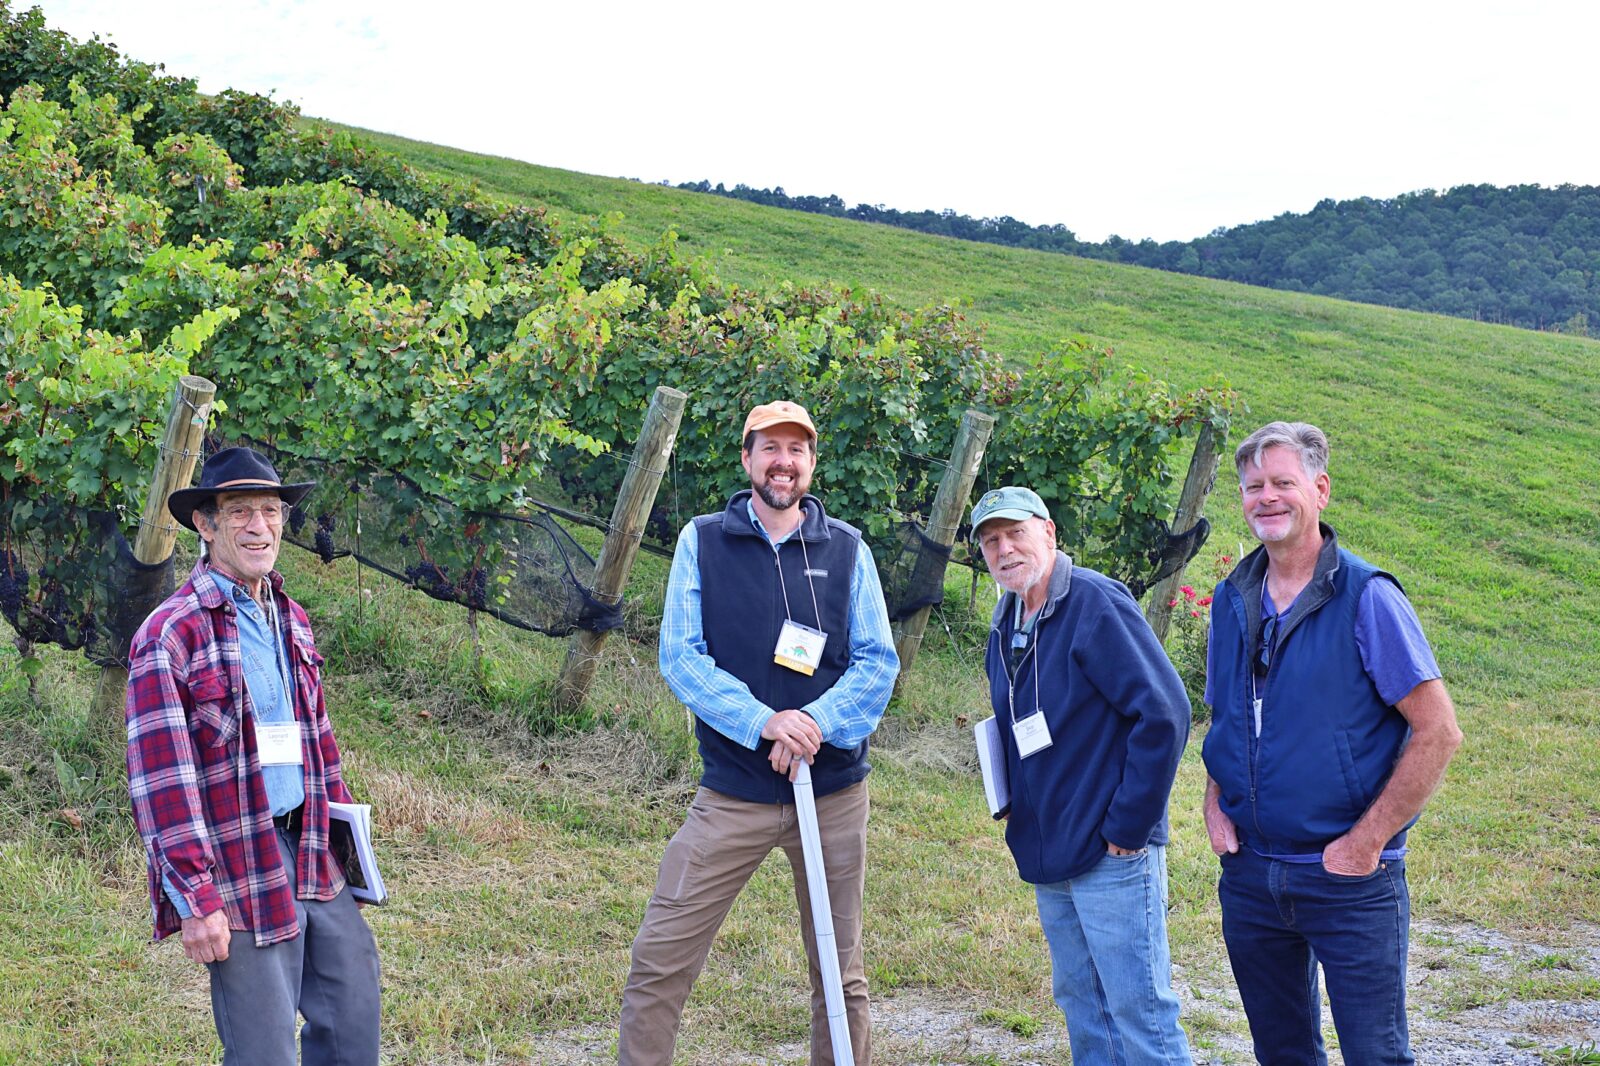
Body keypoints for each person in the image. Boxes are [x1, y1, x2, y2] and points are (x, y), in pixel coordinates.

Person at [619, 401, 899, 1066]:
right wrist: (763, 721)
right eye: (769, 447)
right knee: (659, 958)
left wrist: (812, 726)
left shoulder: (848, 549)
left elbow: (876, 662)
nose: (784, 462)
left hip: (831, 794)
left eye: (796, 450)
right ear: (746, 459)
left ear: (811, 463)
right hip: (734, 793)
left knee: (840, 972)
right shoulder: (704, 541)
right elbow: (682, 656)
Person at [1201, 421, 1463, 1066]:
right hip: (1252, 875)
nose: (1267, 497)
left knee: (1375, 1054)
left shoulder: (1368, 597)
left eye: (1283, 483)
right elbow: (1226, 716)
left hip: (1348, 879)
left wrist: (1367, 841)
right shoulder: (1231, 598)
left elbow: (1439, 730)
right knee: (1282, 1053)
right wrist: (1215, 801)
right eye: (1253, 486)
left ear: (1320, 490)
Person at [126, 447, 380, 1066]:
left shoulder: (290, 617)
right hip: (234, 862)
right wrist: (195, 898)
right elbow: (162, 784)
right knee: (265, 1050)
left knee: (353, 1015)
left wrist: (346, 839)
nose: (258, 526)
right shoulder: (169, 635)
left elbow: (318, 739)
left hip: (309, 844)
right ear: (206, 525)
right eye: (239, 511)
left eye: (269, 511)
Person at [972, 486, 1193, 1066]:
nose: (1004, 549)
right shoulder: (1007, 617)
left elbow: (1164, 713)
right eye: (991, 541)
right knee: (1081, 1003)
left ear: (1048, 531)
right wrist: (1015, 805)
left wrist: (1129, 827)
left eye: (1015, 533)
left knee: (1139, 1011)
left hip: (1112, 852)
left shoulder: (1095, 603)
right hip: (1053, 849)